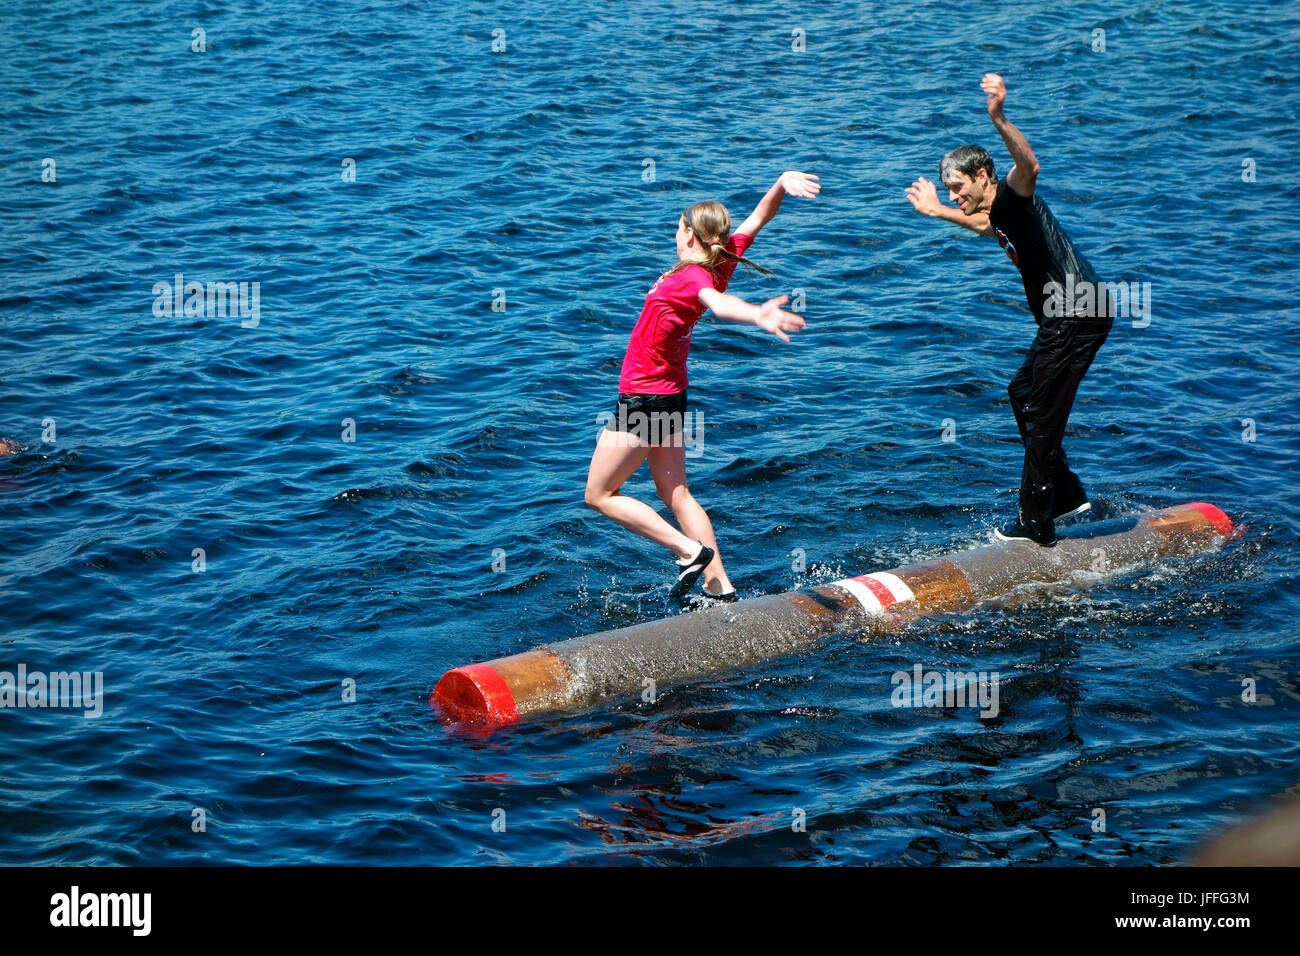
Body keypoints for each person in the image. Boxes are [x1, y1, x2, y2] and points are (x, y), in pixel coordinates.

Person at [585, 171, 820, 600]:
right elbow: (756, 219)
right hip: (670, 396)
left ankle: (687, 550)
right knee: (675, 492)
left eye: (678, 227)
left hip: (645, 398)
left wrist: (755, 315)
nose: (674, 234)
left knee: (599, 494)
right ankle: (721, 590)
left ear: (691, 234)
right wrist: (781, 184)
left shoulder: (694, 277)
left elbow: (719, 303)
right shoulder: (720, 260)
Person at [905, 73, 1113, 546]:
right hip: (1072, 312)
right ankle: (1065, 494)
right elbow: (983, 225)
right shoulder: (1000, 214)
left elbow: (1030, 164)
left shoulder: (1016, 196)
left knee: (1041, 411)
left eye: (957, 187)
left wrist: (997, 116)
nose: (954, 195)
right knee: (1022, 392)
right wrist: (938, 211)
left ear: (983, 176)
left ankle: (1036, 522)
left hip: (1076, 311)